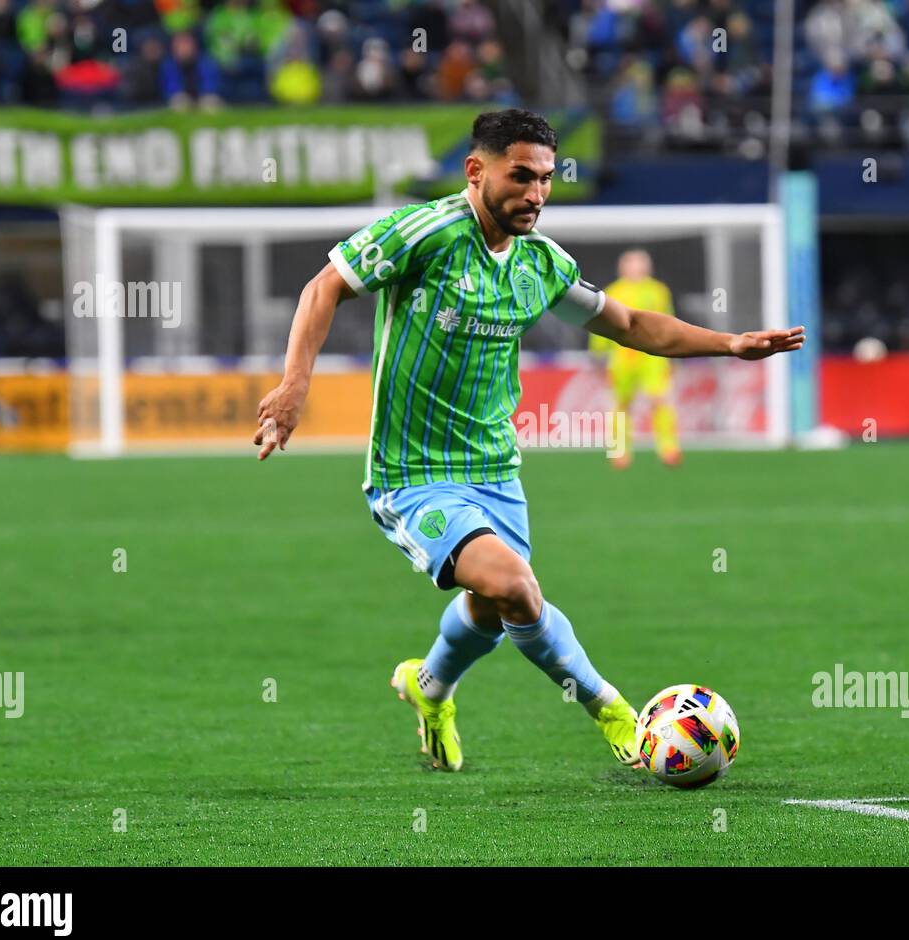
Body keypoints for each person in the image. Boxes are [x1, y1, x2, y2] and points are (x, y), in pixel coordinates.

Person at [253, 109, 805, 770]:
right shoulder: (425, 232)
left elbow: (629, 323)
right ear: (475, 170)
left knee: (491, 606)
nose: (536, 194)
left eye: (545, 179)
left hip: (496, 471)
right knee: (515, 585)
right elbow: (324, 288)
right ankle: (615, 712)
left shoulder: (540, 264)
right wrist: (293, 386)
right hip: (413, 473)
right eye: (521, 176)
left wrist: (731, 343)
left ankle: (430, 687)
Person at [589, 249, 683, 467]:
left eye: (641, 264)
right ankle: (620, 451)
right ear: (622, 268)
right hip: (622, 357)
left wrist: (674, 351)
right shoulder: (613, 292)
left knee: (660, 400)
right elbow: (600, 325)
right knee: (622, 404)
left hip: (653, 357)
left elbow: (668, 322)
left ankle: (668, 448)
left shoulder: (658, 291)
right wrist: (598, 352)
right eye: (631, 264)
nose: (636, 268)